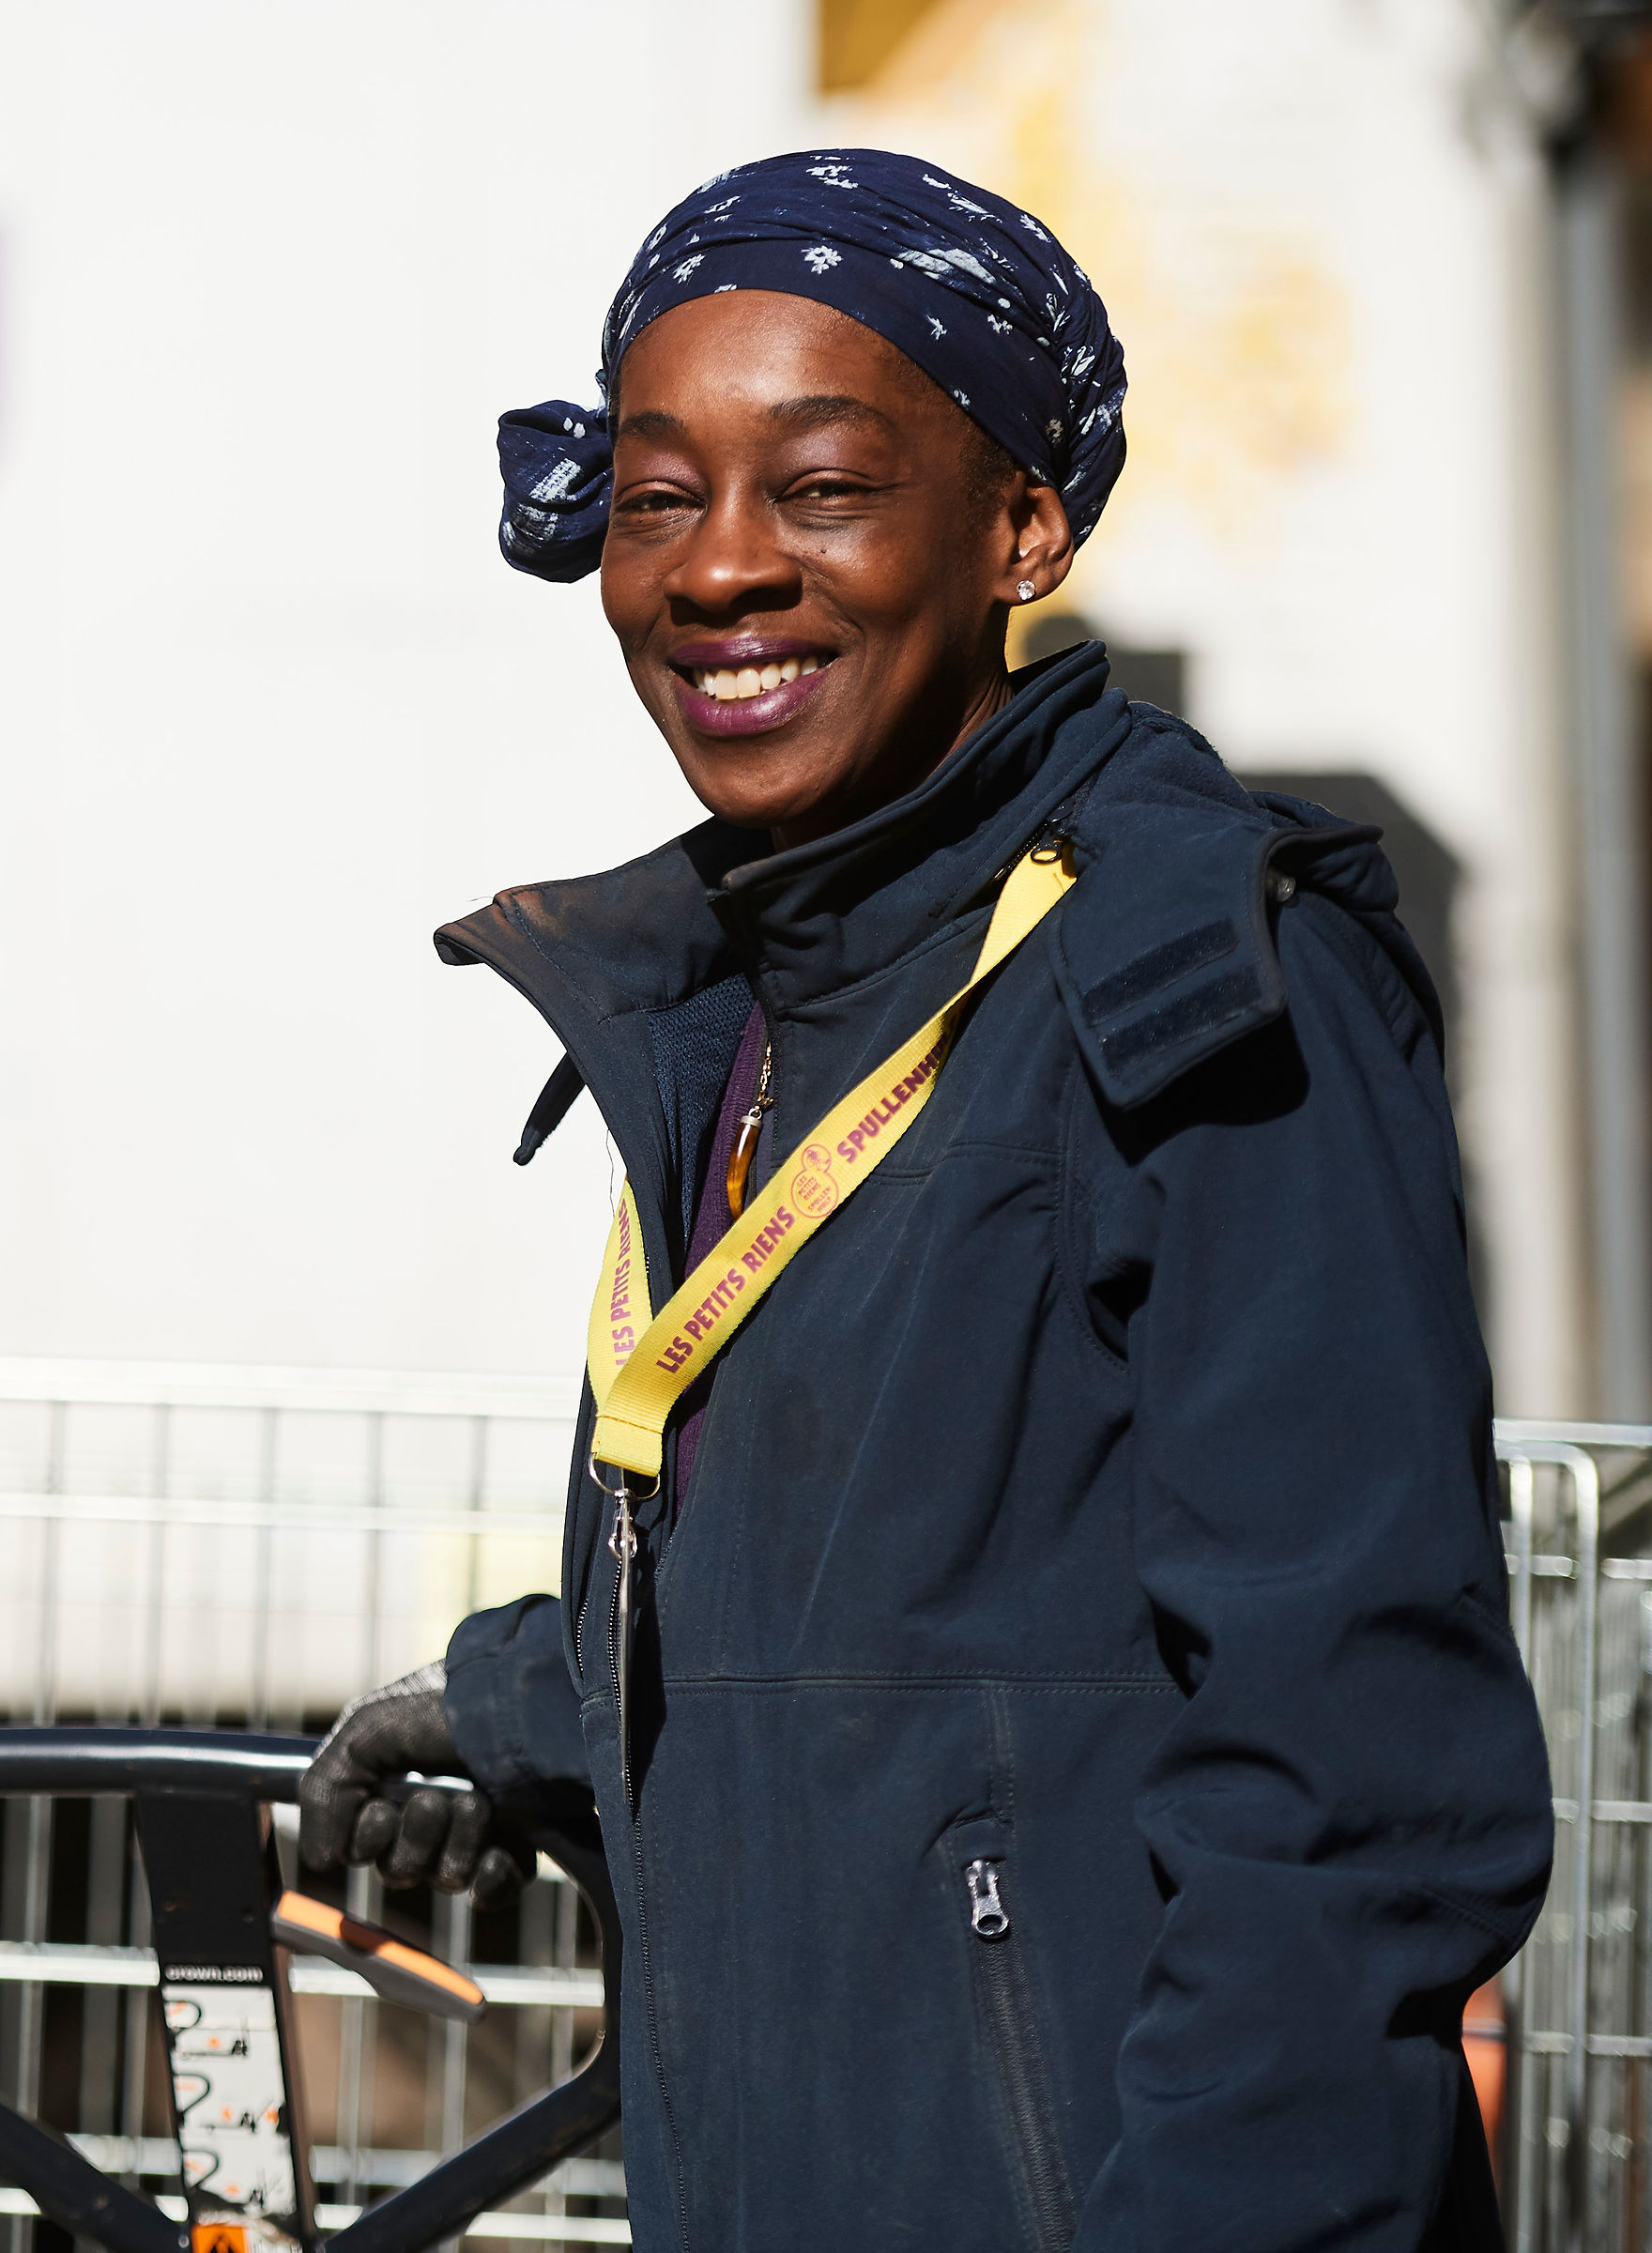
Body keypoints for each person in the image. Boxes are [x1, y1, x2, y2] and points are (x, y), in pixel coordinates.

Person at [296, 150, 1552, 2252]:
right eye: (660, 493)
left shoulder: (1195, 978)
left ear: (1023, 528)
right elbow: (897, 1593)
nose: (719, 570)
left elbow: (1352, 1780)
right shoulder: (761, 980)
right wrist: (529, 1710)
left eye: (822, 486)